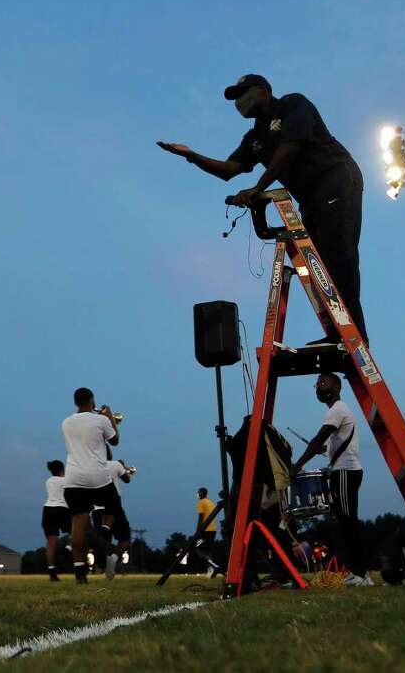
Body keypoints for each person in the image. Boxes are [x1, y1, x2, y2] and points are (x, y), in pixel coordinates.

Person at [158, 74, 367, 343]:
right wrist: (191, 155)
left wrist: (257, 188)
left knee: (339, 256)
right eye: (235, 98)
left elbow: (290, 148)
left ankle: (354, 335)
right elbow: (229, 169)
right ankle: (339, 333)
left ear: (265, 90)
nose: (239, 101)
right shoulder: (255, 137)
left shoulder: (293, 105)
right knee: (319, 266)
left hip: (336, 180)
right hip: (309, 197)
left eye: (244, 93)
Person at [291, 374, 370, 586]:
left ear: (336, 386)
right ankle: (359, 573)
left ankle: (361, 574)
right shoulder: (337, 410)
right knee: (346, 523)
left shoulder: (337, 409)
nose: (318, 386)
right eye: (317, 384)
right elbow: (332, 443)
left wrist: (297, 466)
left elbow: (319, 438)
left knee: (348, 522)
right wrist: (325, 450)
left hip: (345, 472)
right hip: (343, 471)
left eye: (323, 383)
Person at [60, 387, 121, 585]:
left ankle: (80, 574)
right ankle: (103, 533)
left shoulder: (66, 422)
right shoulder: (101, 420)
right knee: (114, 506)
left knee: (78, 524)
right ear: (92, 400)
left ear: (75, 402)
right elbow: (115, 440)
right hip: (98, 477)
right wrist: (110, 416)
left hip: (74, 478)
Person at [92, 452, 133, 581]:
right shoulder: (115, 465)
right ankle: (114, 560)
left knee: (104, 541)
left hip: (97, 510)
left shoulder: (90, 467)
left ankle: (103, 565)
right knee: (125, 537)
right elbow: (127, 479)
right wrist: (122, 466)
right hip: (114, 507)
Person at [41, 461, 71, 582]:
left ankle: (52, 570)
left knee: (51, 542)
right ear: (62, 469)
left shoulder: (48, 481)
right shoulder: (66, 480)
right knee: (77, 531)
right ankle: (70, 546)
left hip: (48, 509)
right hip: (63, 509)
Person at [193, 487, 221, 578]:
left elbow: (201, 517)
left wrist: (198, 531)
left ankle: (213, 566)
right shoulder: (210, 502)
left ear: (202, 494)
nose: (197, 495)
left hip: (205, 530)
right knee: (208, 550)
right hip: (213, 530)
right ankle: (211, 571)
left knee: (198, 548)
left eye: (198, 493)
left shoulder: (201, 503)